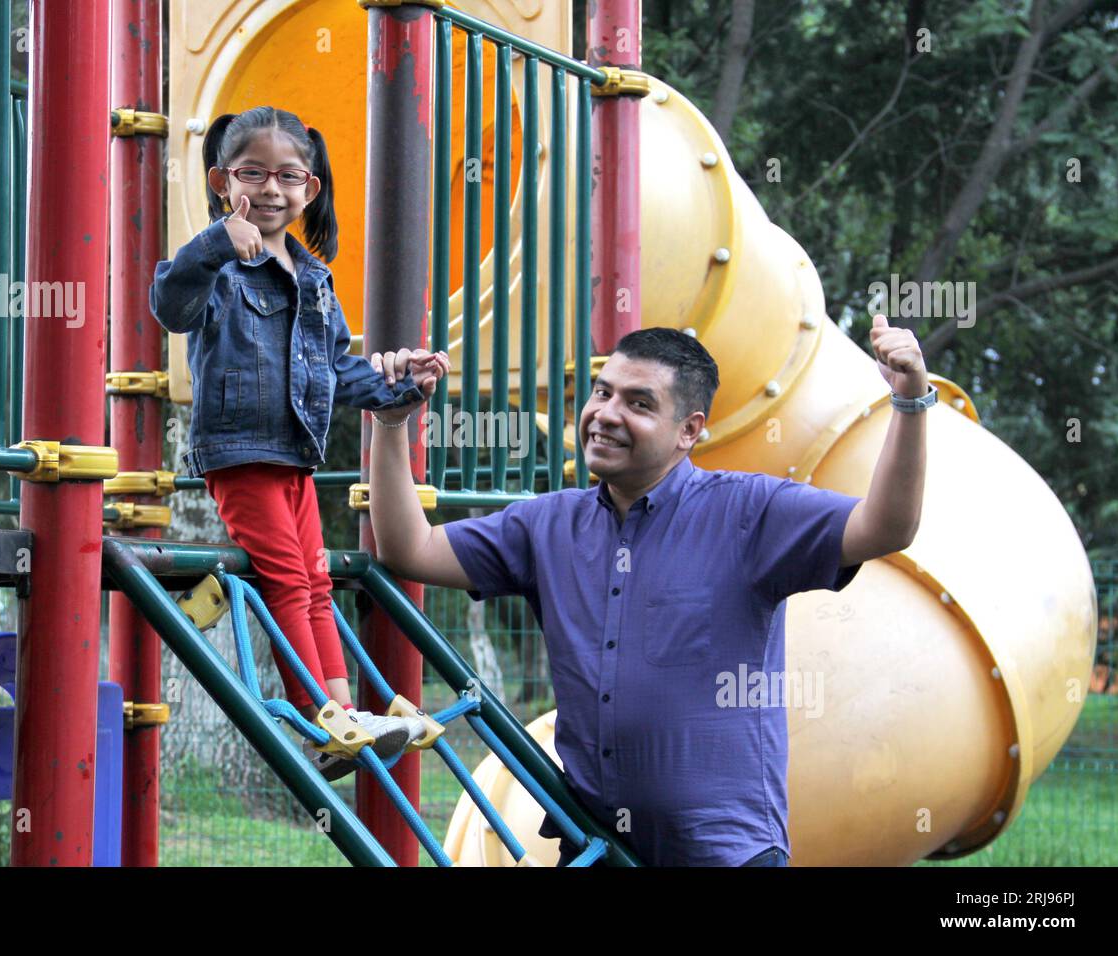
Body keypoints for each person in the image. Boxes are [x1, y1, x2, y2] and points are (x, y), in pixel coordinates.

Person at [365, 320, 930, 865]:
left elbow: (884, 528)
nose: (605, 415)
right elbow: (409, 547)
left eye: (638, 404)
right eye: (602, 393)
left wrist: (909, 404)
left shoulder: (749, 512)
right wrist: (391, 425)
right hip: (594, 846)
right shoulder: (547, 526)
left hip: (724, 854)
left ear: (689, 430)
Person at [149, 106, 449, 780]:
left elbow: (340, 371)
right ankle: (318, 713)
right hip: (241, 453)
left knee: (314, 581)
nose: (272, 190)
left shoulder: (314, 278)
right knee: (287, 578)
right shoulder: (217, 264)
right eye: (253, 174)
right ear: (224, 181)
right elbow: (170, 303)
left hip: (296, 458)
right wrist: (218, 243)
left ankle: (339, 712)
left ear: (310, 188)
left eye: (288, 176)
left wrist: (403, 386)